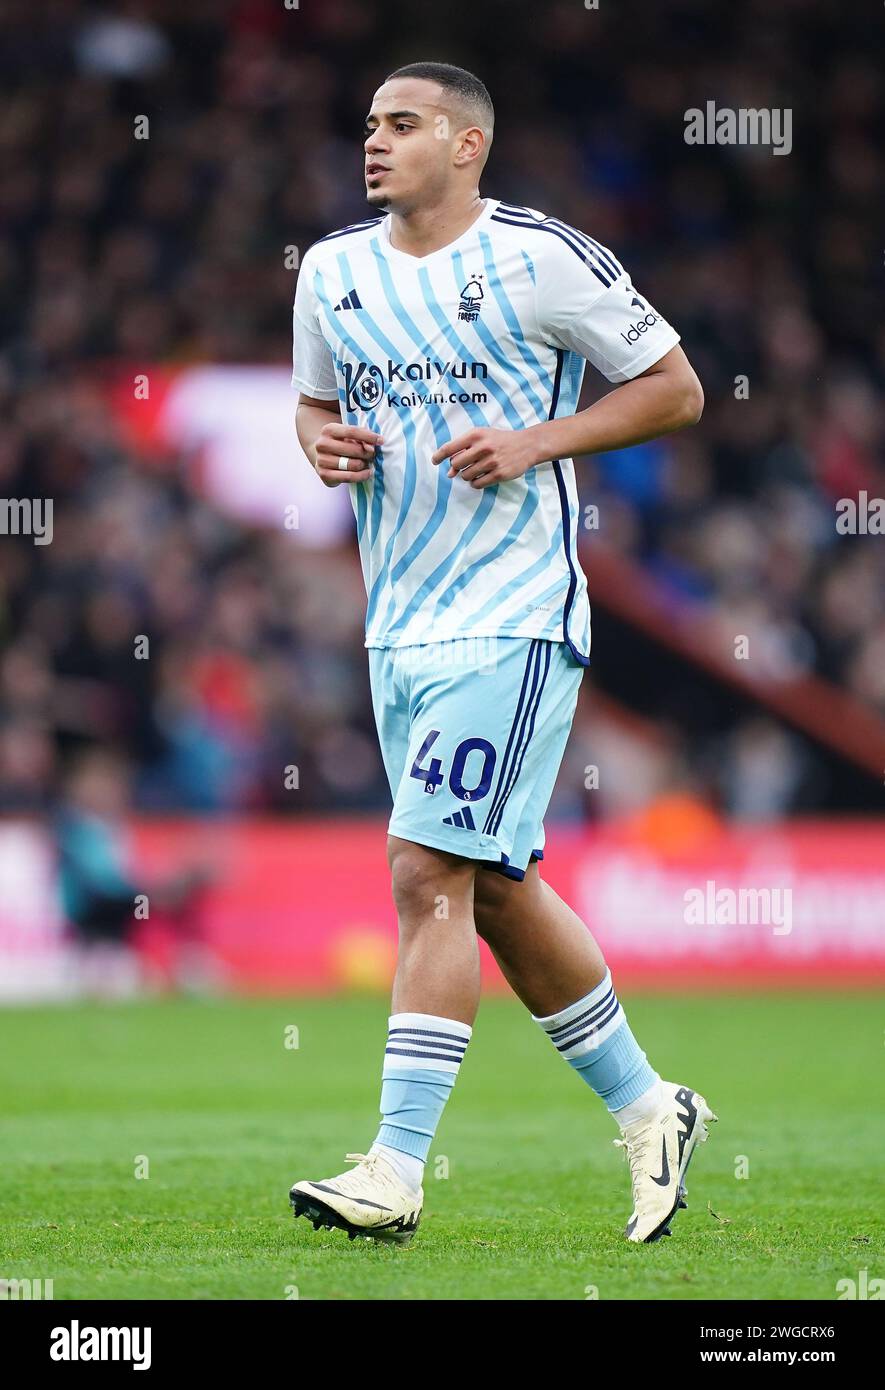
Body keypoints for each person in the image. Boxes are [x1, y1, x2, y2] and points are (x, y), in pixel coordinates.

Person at [289, 61, 713, 1247]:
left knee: (424, 873)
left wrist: (537, 441)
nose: (374, 142)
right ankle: (652, 1108)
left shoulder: (542, 257)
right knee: (492, 890)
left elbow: (674, 390)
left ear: (468, 144)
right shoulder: (331, 272)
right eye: (370, 123)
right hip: (398, 620)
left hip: (515, 614)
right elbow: (311, 407)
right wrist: (324, 447)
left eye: (404, 124)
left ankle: (395, 1168)